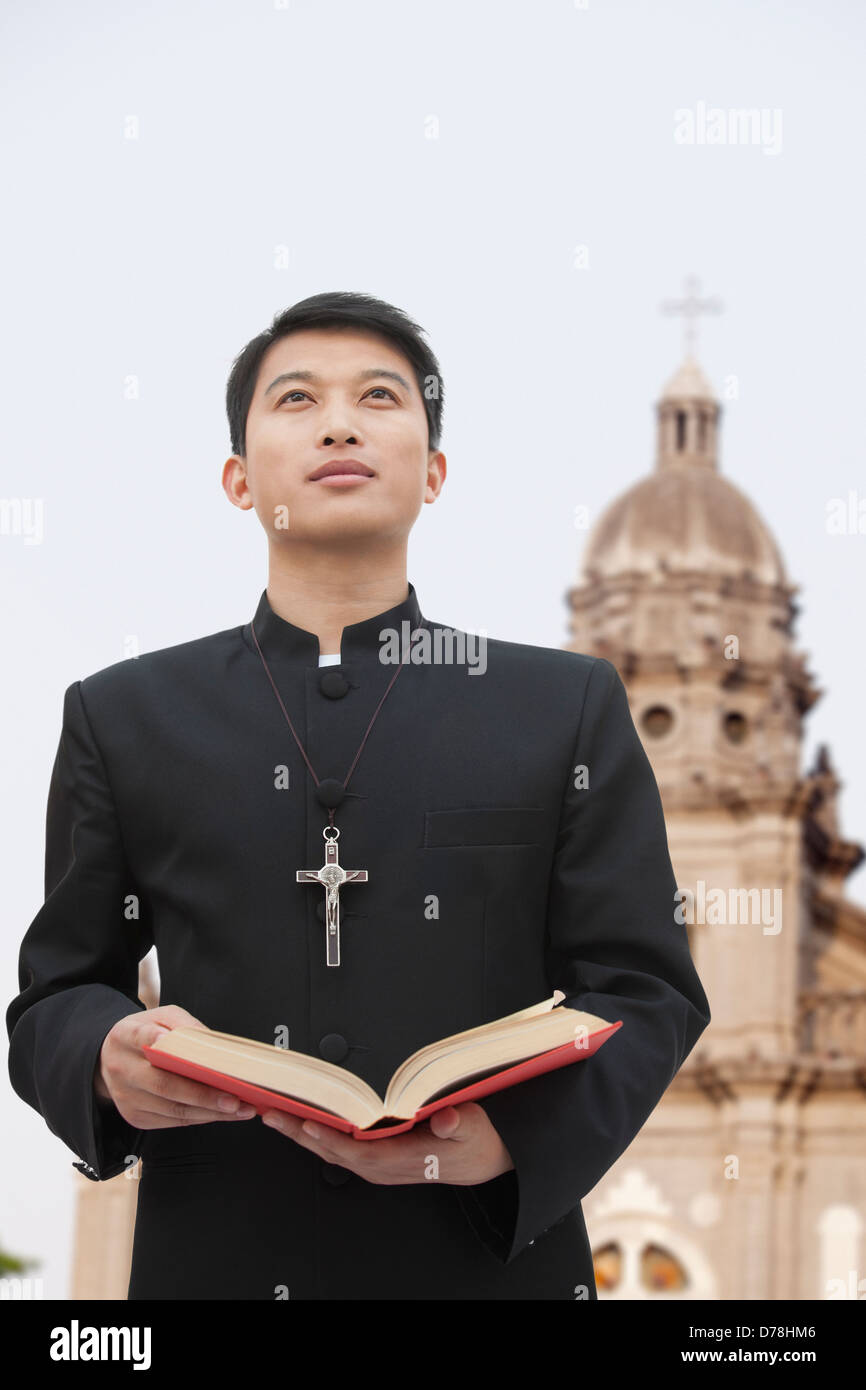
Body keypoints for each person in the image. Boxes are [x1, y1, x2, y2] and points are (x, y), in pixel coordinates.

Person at [7, 291, 710, 1300]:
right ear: (238, 479)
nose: (338, 421)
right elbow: (58, 990)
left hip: (485, 1265)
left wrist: (510, 1134)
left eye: (379, 396)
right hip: (214, 1264)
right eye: (295, 398)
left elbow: (648, 990)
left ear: (432, 472)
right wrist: (101, 1053)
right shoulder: (122, 716)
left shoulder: (562, 706)